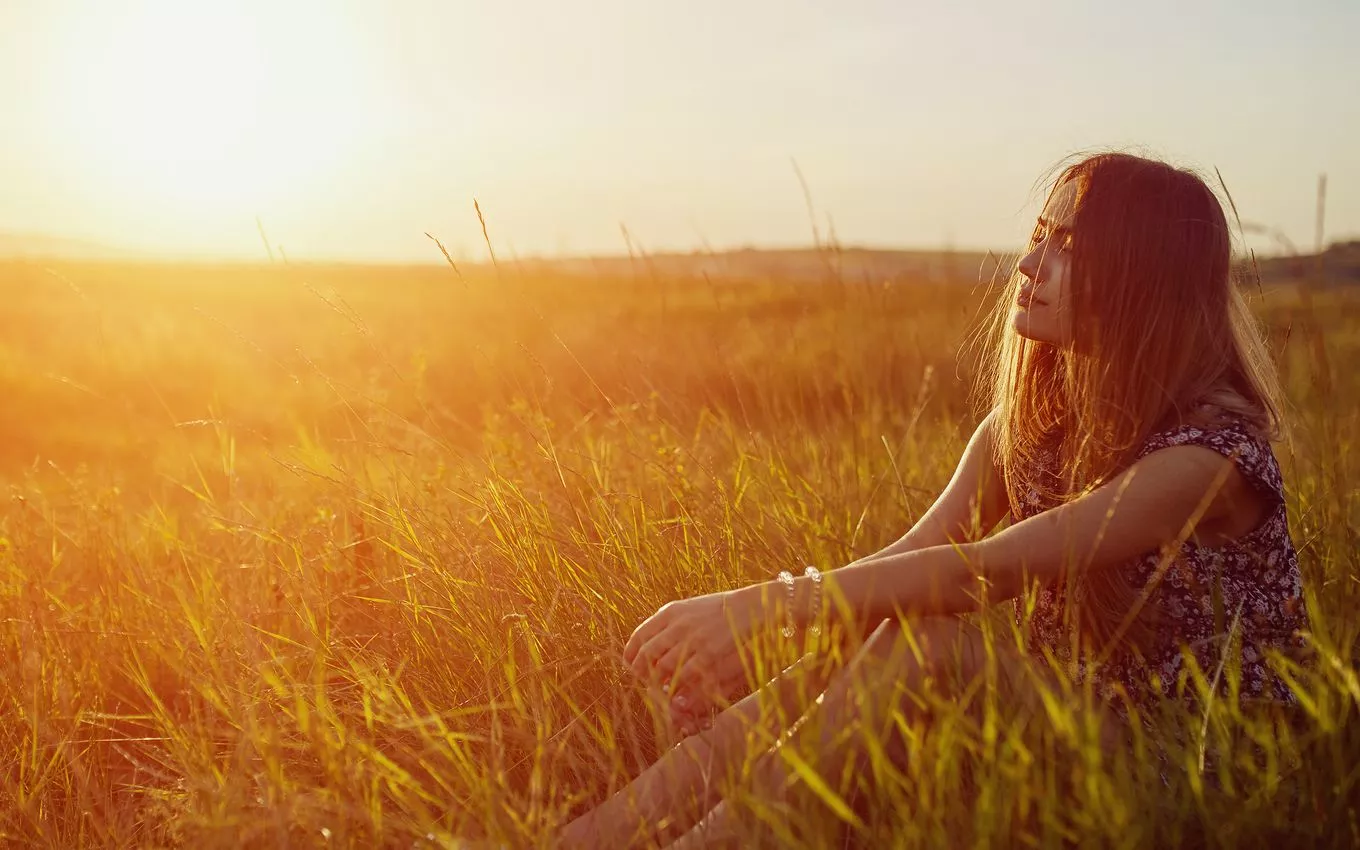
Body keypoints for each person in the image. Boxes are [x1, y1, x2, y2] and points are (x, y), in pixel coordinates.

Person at [557, 151, 1309, 848]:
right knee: (873, 629)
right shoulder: (1027, 431)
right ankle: (586, 838)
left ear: (1143, 277)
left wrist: (767, 604)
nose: (1028, 264)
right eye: (1041, 236)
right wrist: (765, 642)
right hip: (1080, 733)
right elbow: (913, 563)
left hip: (1203, 779)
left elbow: (977, 572)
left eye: (1070, 249)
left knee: (928, 644)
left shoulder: (1208, 459)